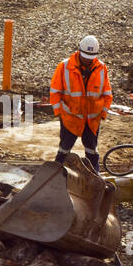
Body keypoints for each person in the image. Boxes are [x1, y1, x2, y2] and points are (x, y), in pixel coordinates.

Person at [50, 35, 111, 173]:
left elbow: (107, 93)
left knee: (91, 151)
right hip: (71, 118)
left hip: (91, 120)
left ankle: (94, 177)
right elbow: (55, 91)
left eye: (91, 58)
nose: (88, 60)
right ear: (79, 51)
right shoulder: (65, 66)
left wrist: (103, 113)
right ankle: (55, 175)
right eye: (85, 57)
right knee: (64, 150)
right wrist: (58, 112)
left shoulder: (101, 68)